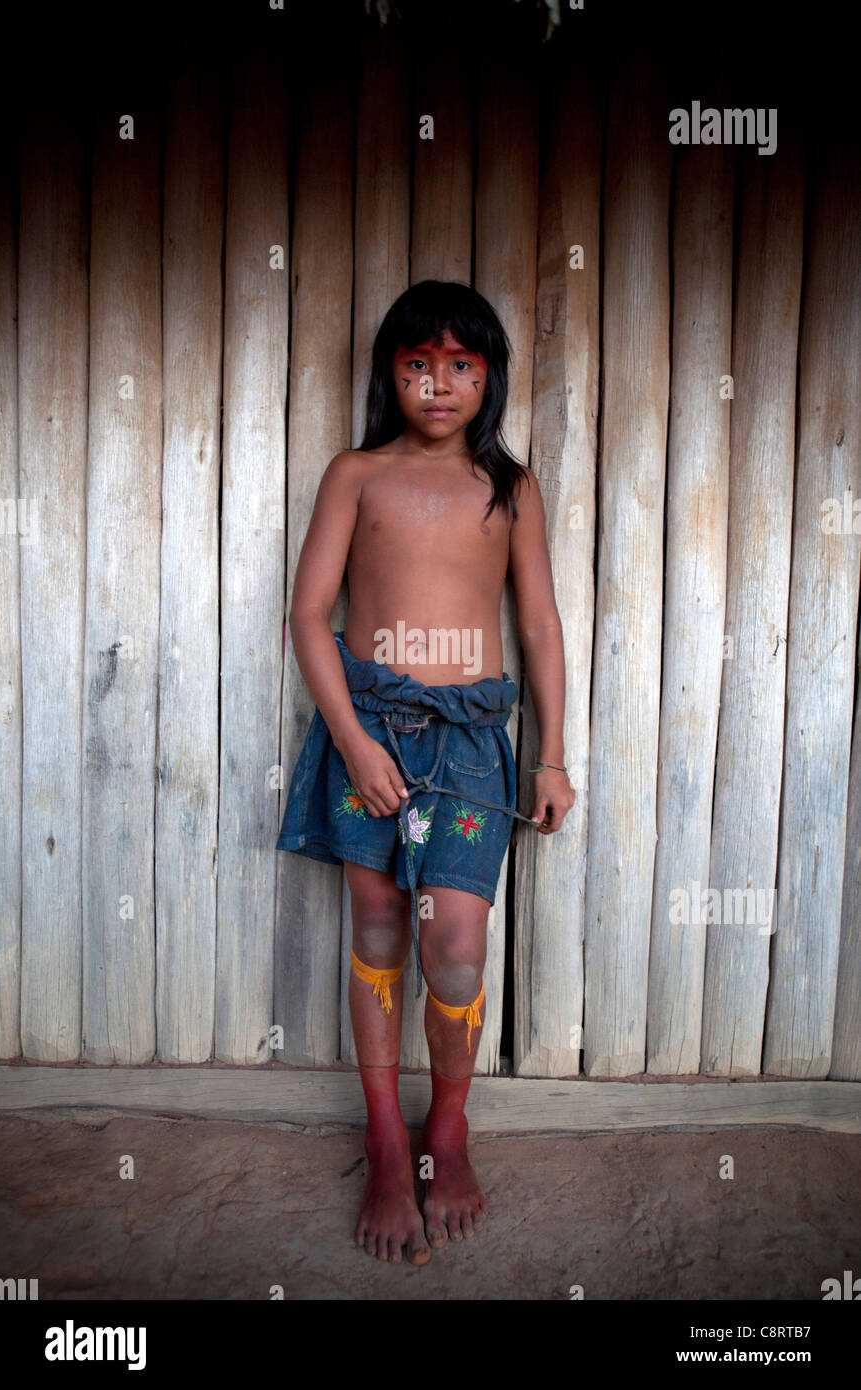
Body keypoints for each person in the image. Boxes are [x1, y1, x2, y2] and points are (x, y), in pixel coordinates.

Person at [277, 280, 576, 1265]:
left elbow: (534, 623)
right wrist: (355, 746)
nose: (436, 384)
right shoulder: (356, 474)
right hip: (370, 733)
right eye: (416, 364)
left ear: (486, 376)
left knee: (452, 948)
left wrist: (551, 755)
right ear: (389, 374)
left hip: (469, 749)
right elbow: (306, 616)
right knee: (372, 931)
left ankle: (445, 1130)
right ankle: (379, 1139)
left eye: (459, 365)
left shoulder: (510, 487)